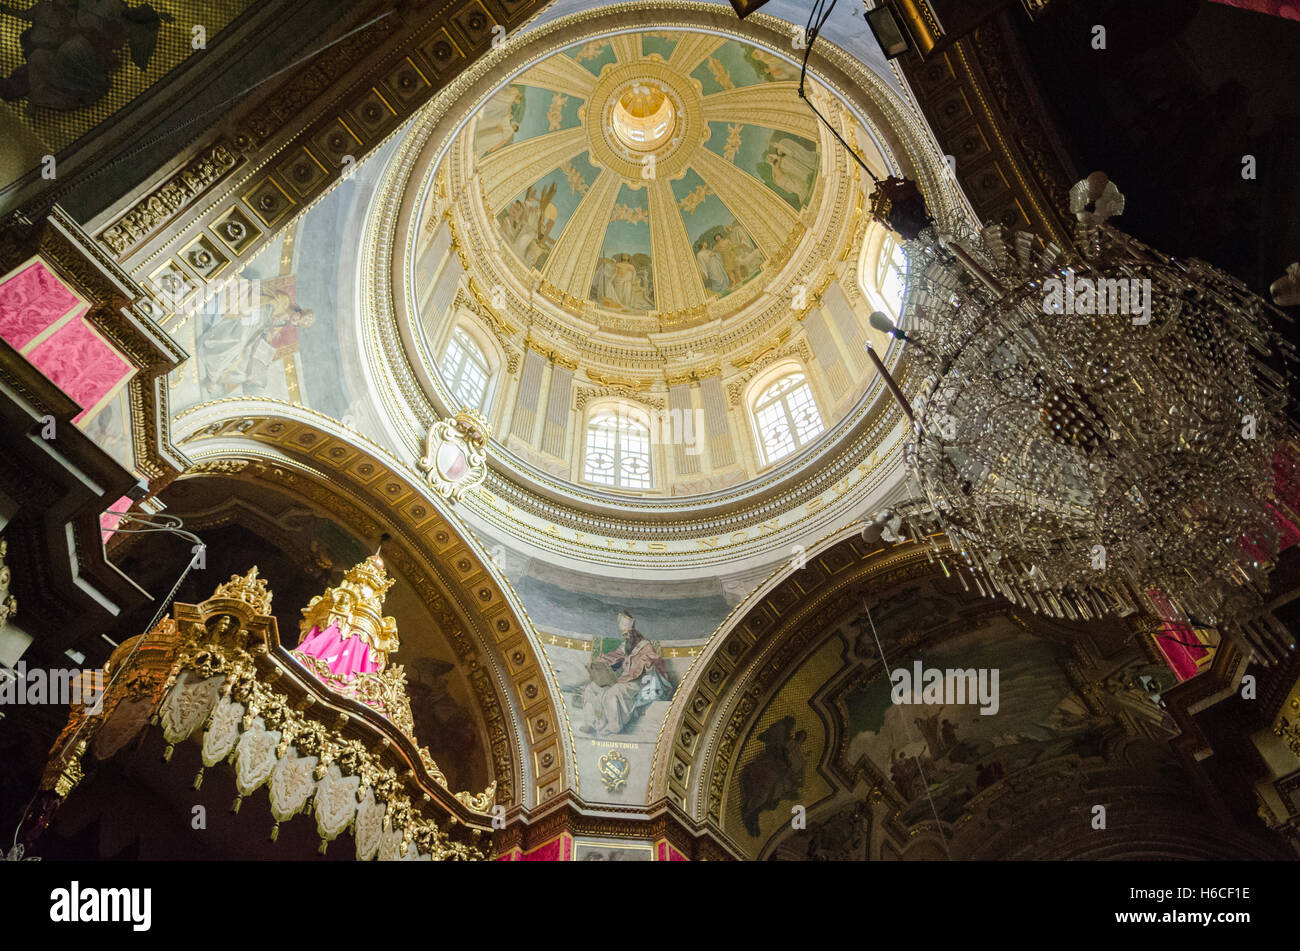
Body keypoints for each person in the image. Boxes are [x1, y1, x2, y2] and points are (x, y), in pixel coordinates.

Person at [578, 611, 671, 735]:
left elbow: (654, 661)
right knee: (592, 688)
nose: (626, 636)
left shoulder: (645, 646)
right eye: (624, 634)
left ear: (634, 633)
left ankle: (613, 726)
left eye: (627, 634)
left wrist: (648, 663)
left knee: (613, 693)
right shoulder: (626, 645)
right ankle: (592, 723)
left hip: (636, 683)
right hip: (622, 681)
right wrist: (597, 663)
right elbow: (614, 656)